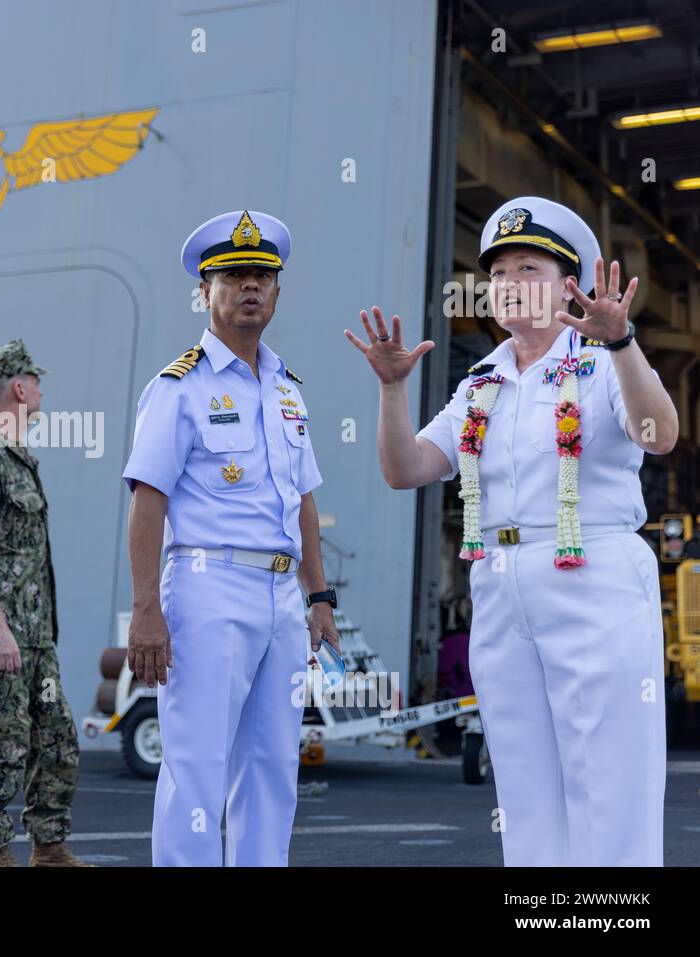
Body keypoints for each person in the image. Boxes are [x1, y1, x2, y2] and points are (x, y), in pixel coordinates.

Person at [346, 196, 677, 866]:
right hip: (500, 588)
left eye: (529, 266)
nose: (509, 281)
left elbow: (660, 434)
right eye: (497, 271)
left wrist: (621, 341)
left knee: (608, 776)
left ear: (570, 287)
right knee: (525, 781)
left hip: (593, 576)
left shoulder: (603, 362)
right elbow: (406, 468)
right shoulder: (481, 384)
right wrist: (390, 391)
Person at [124, 210, 338, 867]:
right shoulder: (178, 387)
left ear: (277, 292)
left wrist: (319, 594)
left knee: (274, 764)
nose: (250, 287)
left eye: (262, 276)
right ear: (206, 292)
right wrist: (146, 611)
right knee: (196, 763)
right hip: (207, 586)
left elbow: (302, 500)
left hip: (280, 597)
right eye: (234, 276)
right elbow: (147, 501)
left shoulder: (287, 389)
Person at [0, 339, 87, 867]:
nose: (42, 391)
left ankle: (49, 848)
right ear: (20, 387)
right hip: (3, 637)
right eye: (37, 381)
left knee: (57, 743)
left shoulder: (18, 456)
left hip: (36, 638)